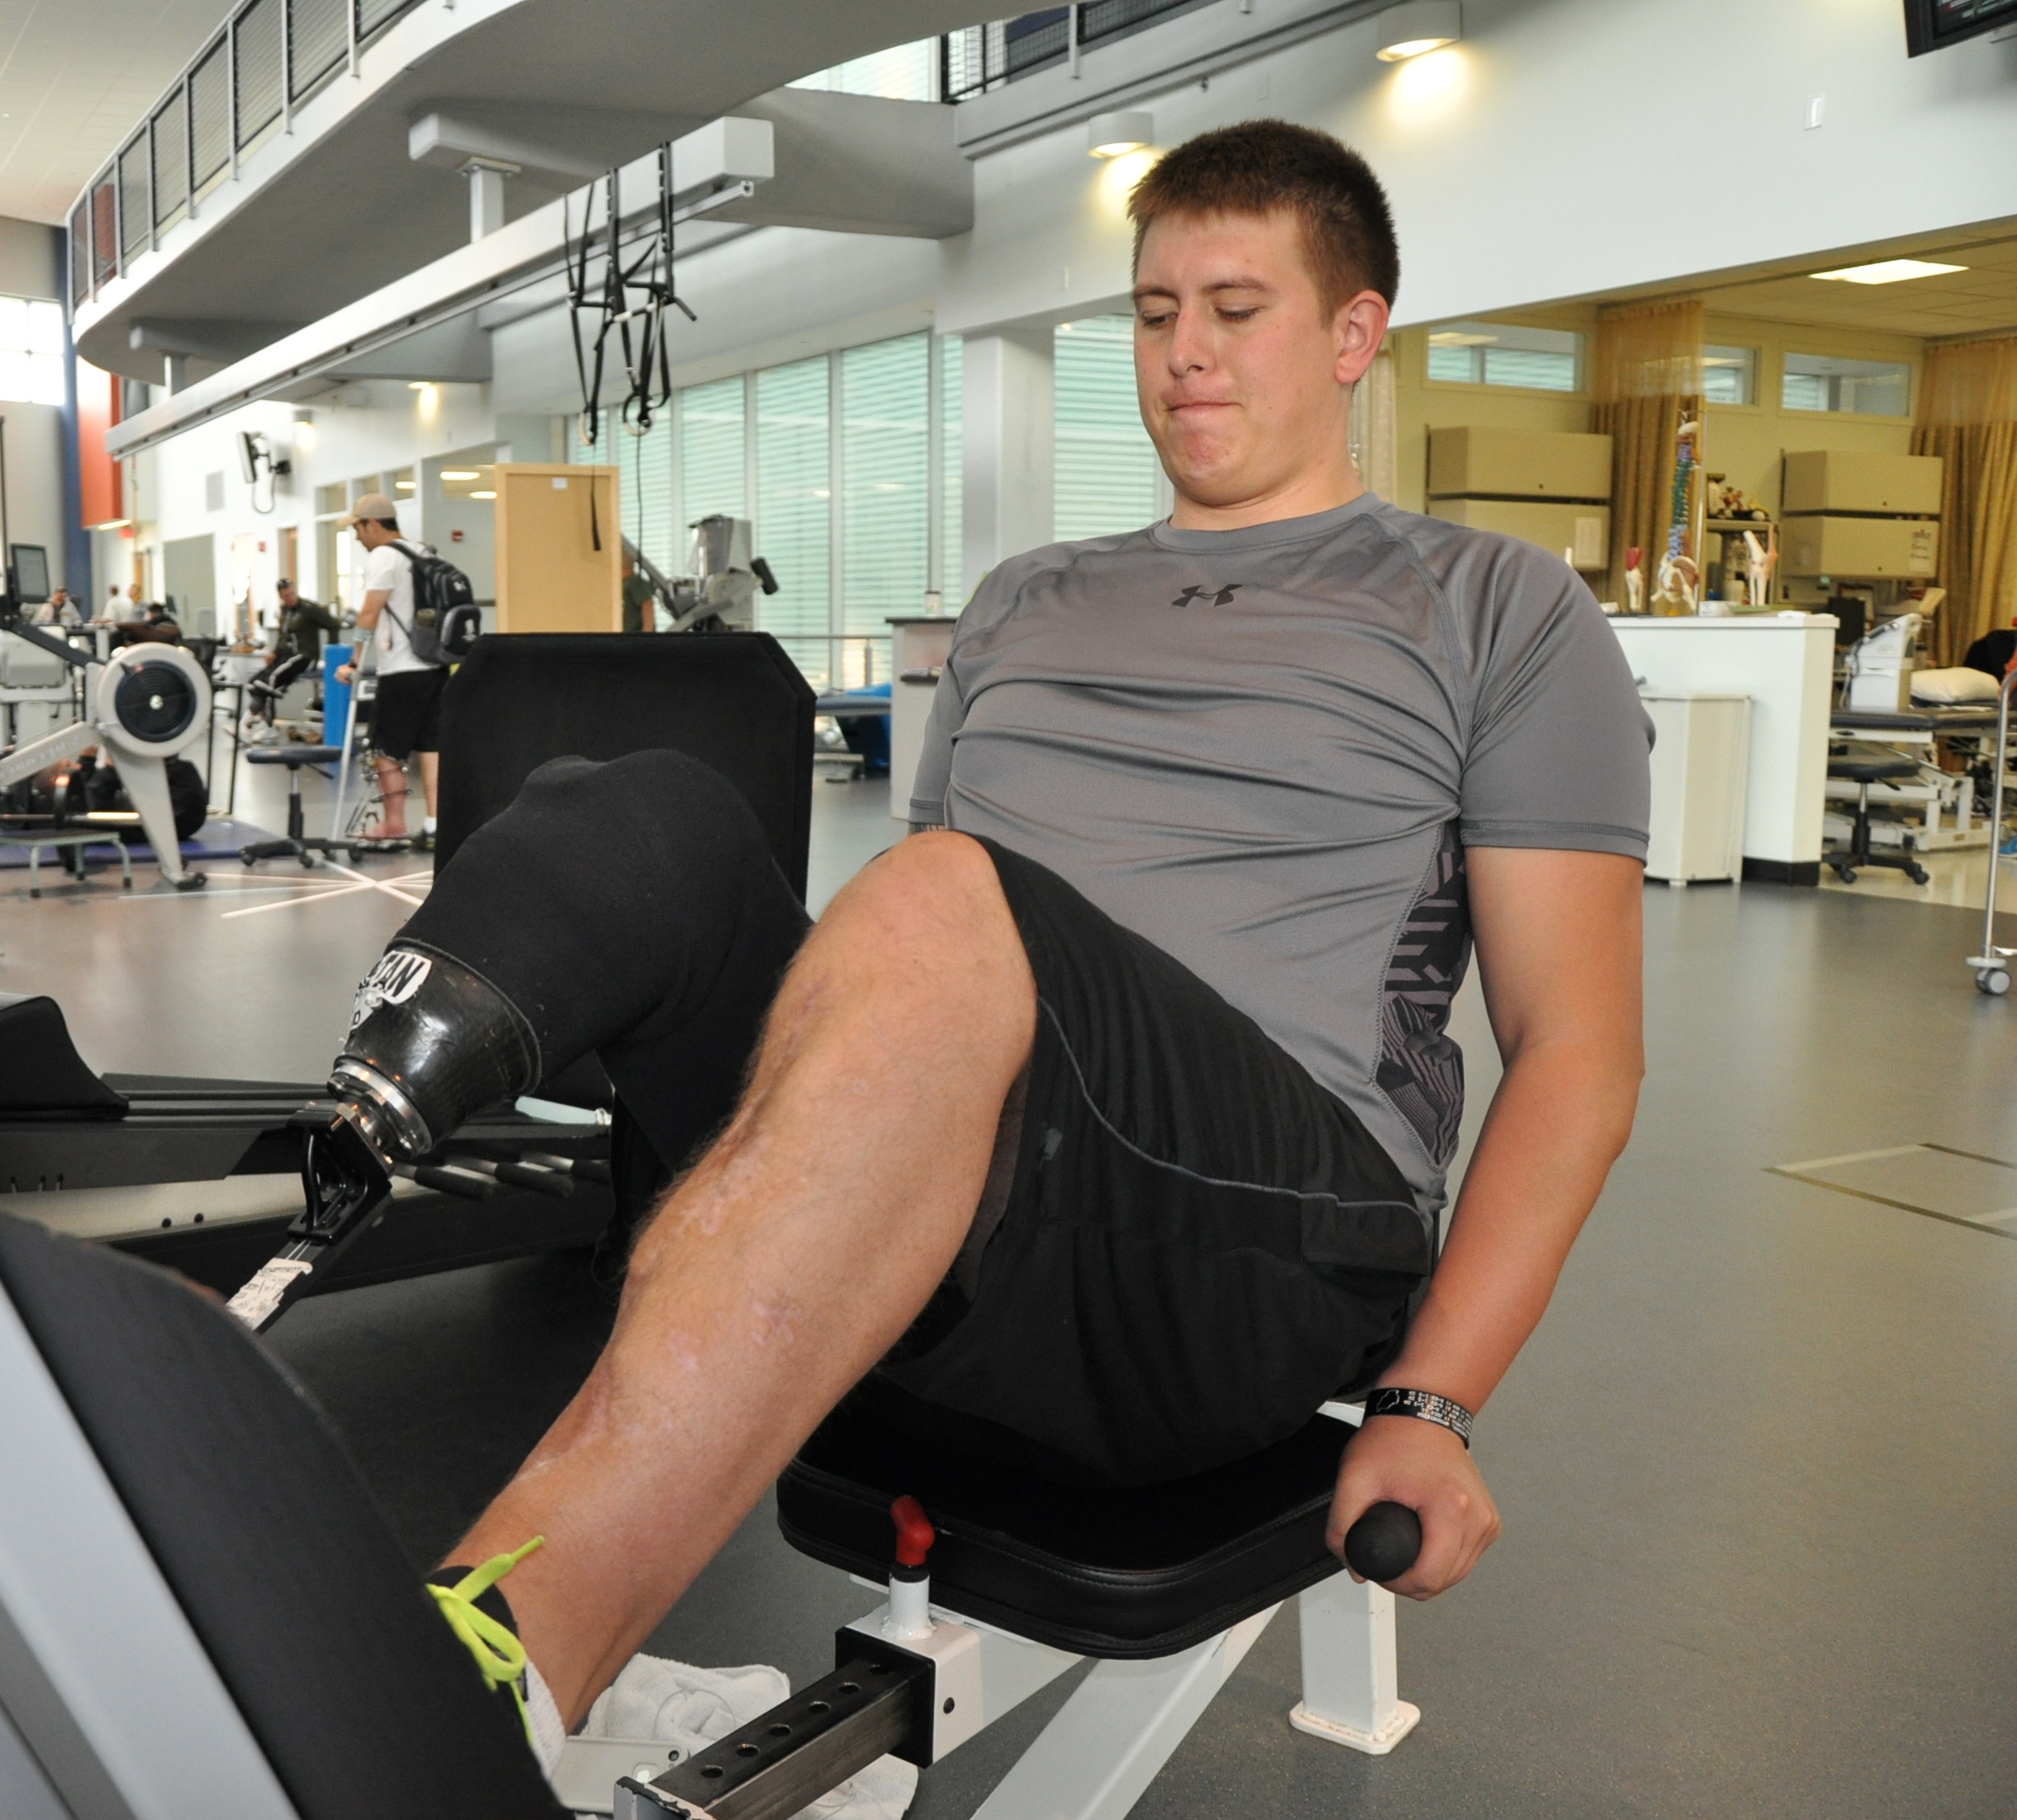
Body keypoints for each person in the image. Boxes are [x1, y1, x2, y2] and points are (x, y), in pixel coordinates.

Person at [312, 120, 1653, 1760]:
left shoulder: (1495, 608)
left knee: (942, 896)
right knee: (630, 809)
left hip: (1251, 1244)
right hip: (972, 1203)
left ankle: (471, 1703)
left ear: (1354, 332)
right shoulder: (1027, 596)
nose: (1184, 353)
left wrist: (1430, 1403)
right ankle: (338, 1165)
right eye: (1156, 312)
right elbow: (908, 985)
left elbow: (1577, 1051)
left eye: (1236, 307)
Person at [333, 492, 450, 845]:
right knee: (432, 747)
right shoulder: (425, 551)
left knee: (385, 749)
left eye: (357, 528)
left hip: (401, 669)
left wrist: (354, 661)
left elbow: (369, 612)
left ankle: (394, 825)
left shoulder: (384, 556)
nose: (356, 537)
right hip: (435, 665)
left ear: (372, 524)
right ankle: (435, 823)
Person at [274, 578, 343, 667]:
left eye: (292, 593)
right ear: (281, 597)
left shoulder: (309, 608)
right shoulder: (285, 611)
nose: (291, 598)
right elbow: (283, 635)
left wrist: (331, 652)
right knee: (264, 674)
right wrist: (275, 653)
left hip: (306, 657)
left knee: (278, 674)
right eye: (286, 596)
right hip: (288, 656)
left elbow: (334, 625)